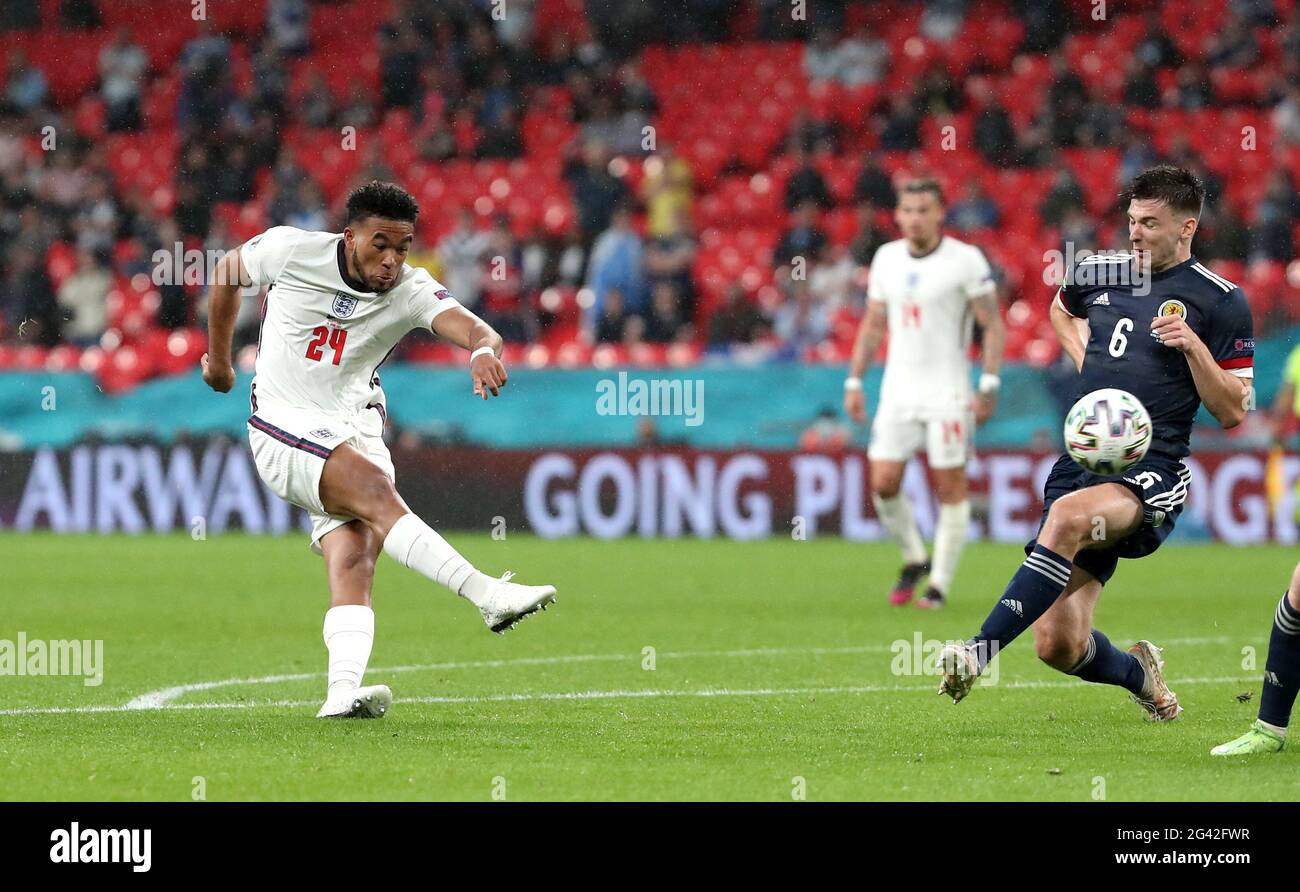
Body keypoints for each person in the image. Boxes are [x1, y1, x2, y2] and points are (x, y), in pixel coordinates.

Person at [199, 181, 557, 720]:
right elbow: (227, 273)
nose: (391, 261)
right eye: (379, 245)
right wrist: (220, 361)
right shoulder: (291, 250)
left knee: (355, 557)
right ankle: (486, 595)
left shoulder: (410, 289)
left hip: (354, 425)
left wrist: (482, 349)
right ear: (349, 237)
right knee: (374, 493)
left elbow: (475, 327)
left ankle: (341, 692)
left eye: (402, 247)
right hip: (282, 422)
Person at [937, 166, 1255, 722]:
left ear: (1187, 228)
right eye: (1131, 220)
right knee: (1057, 646)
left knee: (1065, 518)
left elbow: (1233, 410)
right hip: (1083, 462)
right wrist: (1088, 361)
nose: (1134, 233)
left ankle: (975, 652)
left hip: (1150, 470)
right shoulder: (1101, 272)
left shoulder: (1220, 301)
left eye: (1150, 224)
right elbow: (1061, 308)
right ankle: (1143, 677)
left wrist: (1195, 350)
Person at [844, 178, 1003, 609]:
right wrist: (855, 379)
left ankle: (939, 585)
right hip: (897, 390)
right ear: (897, 215)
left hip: (948, 392)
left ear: (940, 214)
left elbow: (990, 323)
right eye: (907, 210)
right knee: (883, 483)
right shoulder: (886, 258)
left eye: (923, 210)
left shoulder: (965, 260)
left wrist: (987, 383)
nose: (914, 218)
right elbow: (874, 323)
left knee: (949, 487)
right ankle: (915, 556)